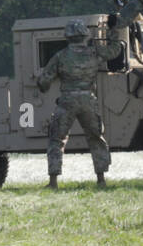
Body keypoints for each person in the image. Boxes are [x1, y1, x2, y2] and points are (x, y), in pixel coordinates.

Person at [36, 17, 128, 189]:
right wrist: (113, 31)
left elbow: (44, 82)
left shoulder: (60, 56)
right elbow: (115, 50)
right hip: (88, 100)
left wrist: (41, 84)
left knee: (57, 139)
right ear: (85, 35)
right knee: (95, 138)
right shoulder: (95, 52)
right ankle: (101, 179)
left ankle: (53, 182)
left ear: (68, 36)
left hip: (67, 101)